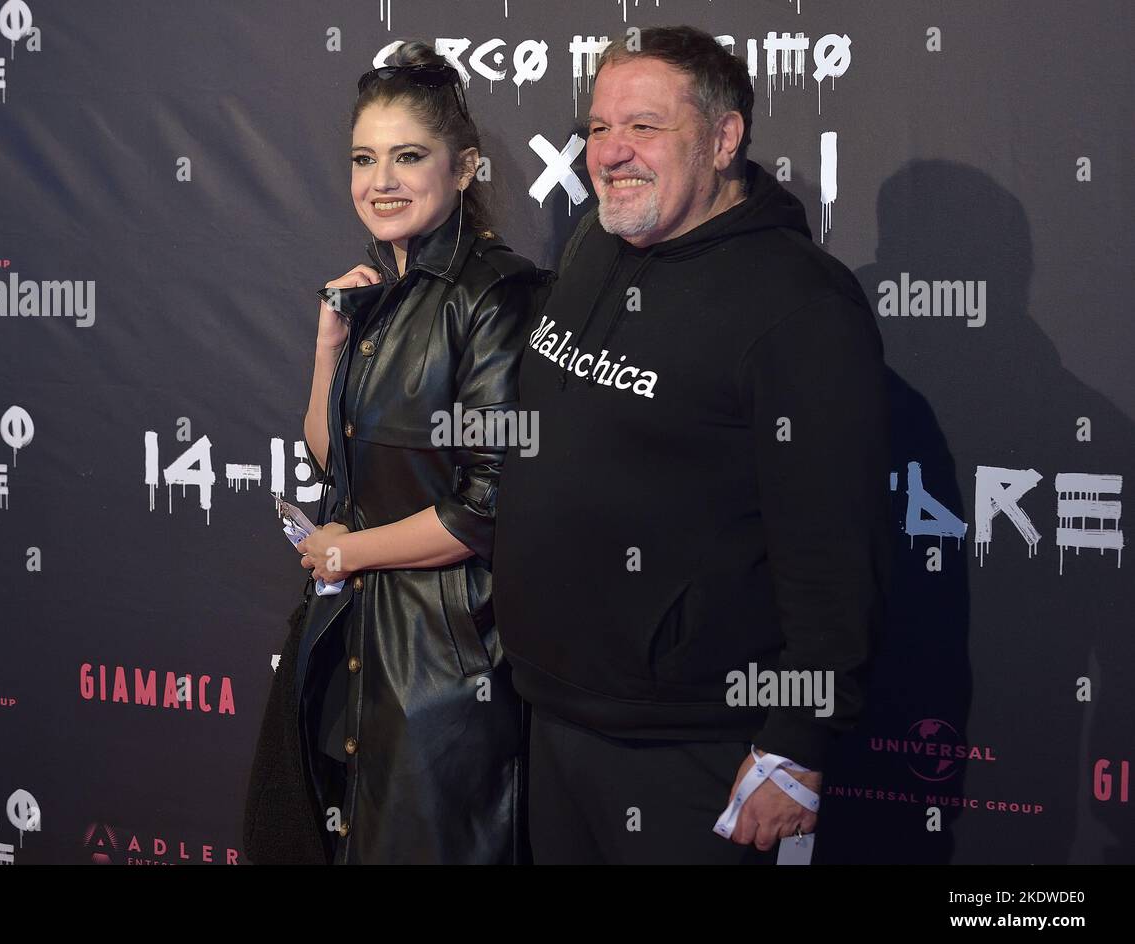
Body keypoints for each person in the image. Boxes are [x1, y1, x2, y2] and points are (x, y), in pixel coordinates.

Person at [492, 25, 892, 864]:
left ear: (723, 137)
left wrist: (799, 742)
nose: (610, 153)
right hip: (554, 713)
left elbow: (831, 547)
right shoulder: (599, 240)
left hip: (691, 748)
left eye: (644, 127)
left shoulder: (800, 306)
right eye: (599, 128)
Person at [243, 41, 550, 864]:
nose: (381, 180)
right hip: (353, 644)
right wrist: (329, 341)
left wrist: (345, 547)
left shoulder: (498, 296)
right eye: (364, 158)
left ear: (464, 167)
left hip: (446, 673)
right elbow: (328, 459)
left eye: (408, 156)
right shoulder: (378, 291)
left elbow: (487, 508)